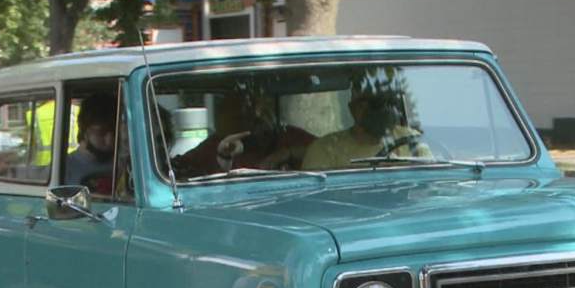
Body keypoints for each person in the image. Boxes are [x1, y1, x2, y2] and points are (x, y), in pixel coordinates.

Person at [171, 90, 314, 179]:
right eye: (245, 111)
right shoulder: (215, 146)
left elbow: (326, 150)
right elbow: (175, 170)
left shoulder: (288, 136)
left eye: (263, 109)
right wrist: (223, 156)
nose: (257, 116)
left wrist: (287, 154)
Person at [301, 81, 431, 171]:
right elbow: (317, 204)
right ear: (354, 109)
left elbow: (431, 187)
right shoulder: (324, 150)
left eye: (389, 102)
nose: (382, 110)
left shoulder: (413, 141)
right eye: (375, 104)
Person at [65, 93, 117, 189]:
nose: (110, 141)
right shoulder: (64, 169)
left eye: (115, 132)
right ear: (84, 131)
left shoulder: (125, 166)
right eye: (101, 133)